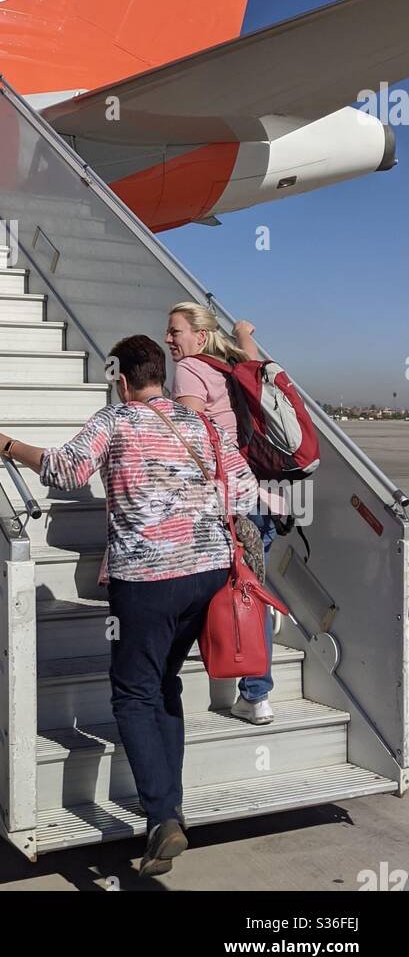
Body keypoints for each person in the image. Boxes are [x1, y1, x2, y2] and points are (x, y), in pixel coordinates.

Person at [0, 334, 258, 877]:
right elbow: (246, 491)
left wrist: (9, 447)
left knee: (133, 693)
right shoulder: (202, 425)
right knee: (164, 684)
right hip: (206, 575)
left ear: (120, 378)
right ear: (160, 373)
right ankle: (172, 804)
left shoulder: (114, 421)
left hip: (147, 579)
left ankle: (162, 819)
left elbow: (66, 470)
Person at [165, 300, 279, 726]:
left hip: (224, 498)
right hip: (260, 493)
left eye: (175, 331)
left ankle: (247, 686)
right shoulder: (232, 365)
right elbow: (262, 368)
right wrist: (246, 334)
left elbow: (190, 440)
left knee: (228, 590)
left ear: (199, 334)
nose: (169, 339)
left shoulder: (190, 369)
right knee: (249, 588)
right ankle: (255, 691)